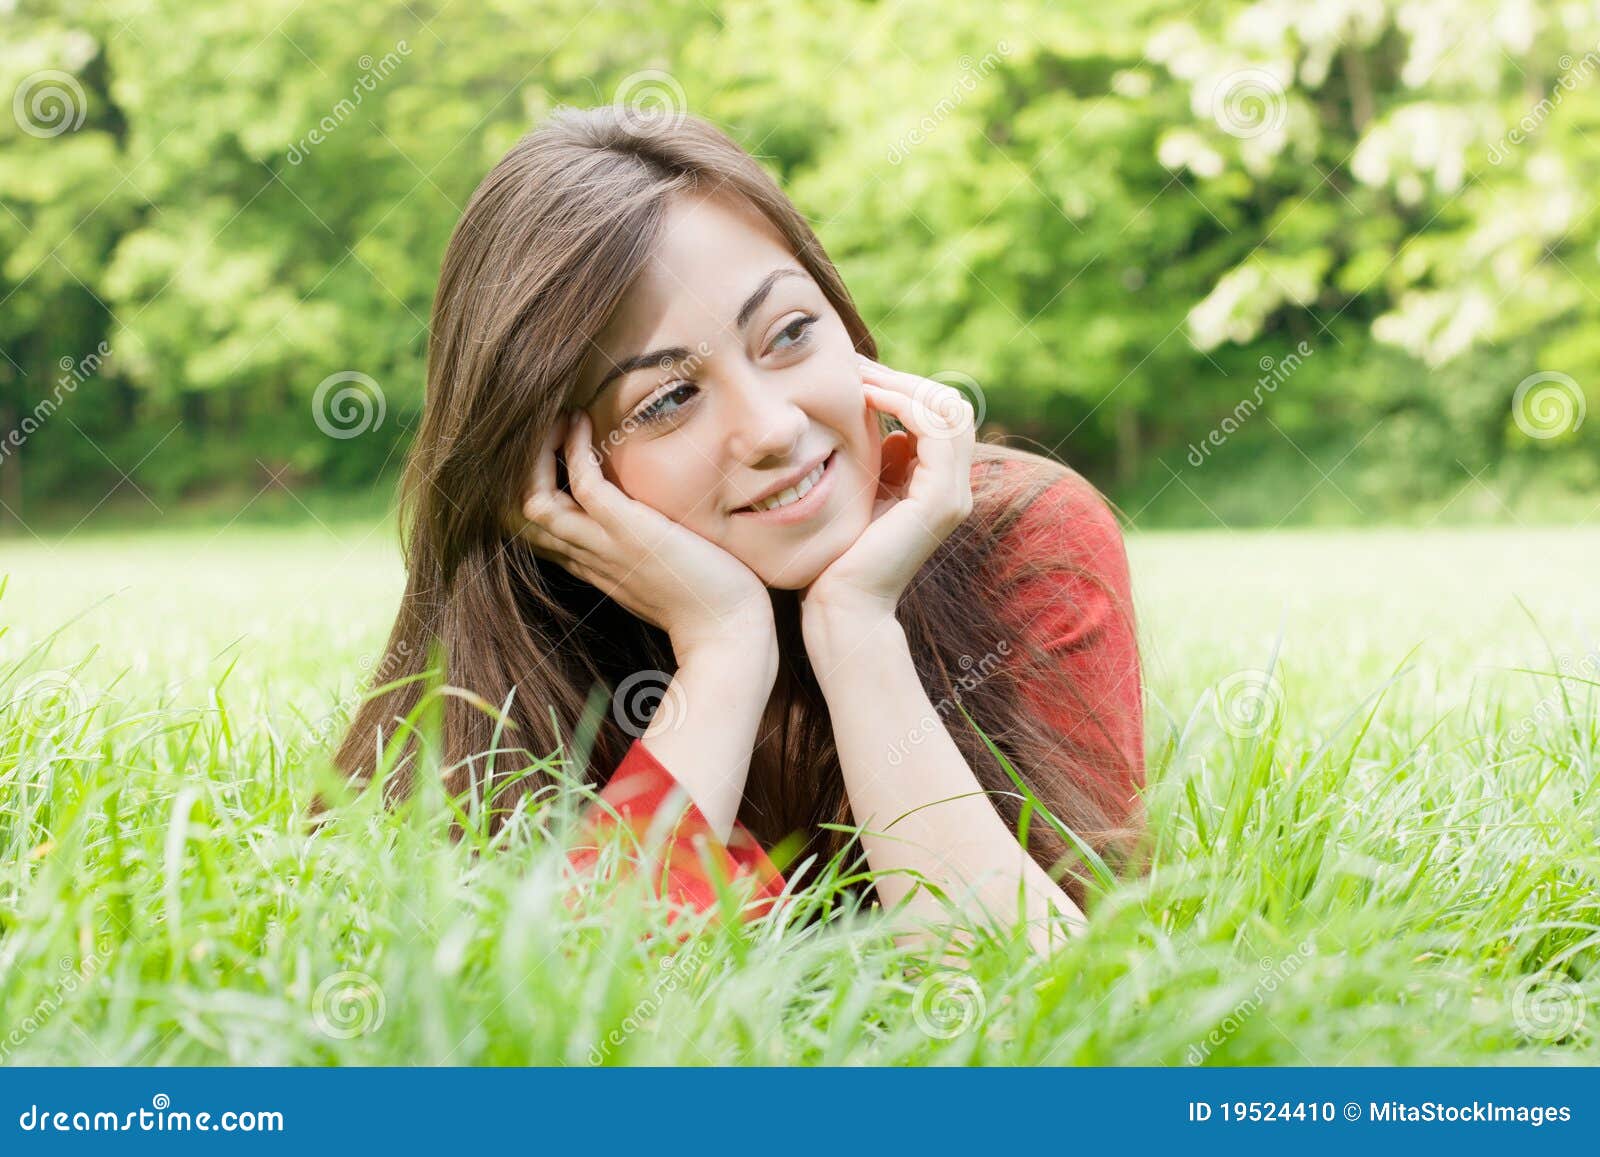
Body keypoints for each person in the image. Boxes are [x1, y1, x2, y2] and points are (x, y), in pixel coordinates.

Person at [329, 105, 1147, 954]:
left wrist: (857, 630)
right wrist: (722, 653)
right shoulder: (527, 653)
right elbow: (567, 1015)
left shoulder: (1023, 537)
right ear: (558, 469)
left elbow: (1046, 997)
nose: (772, 429)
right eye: (669, 399)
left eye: (790, 332)